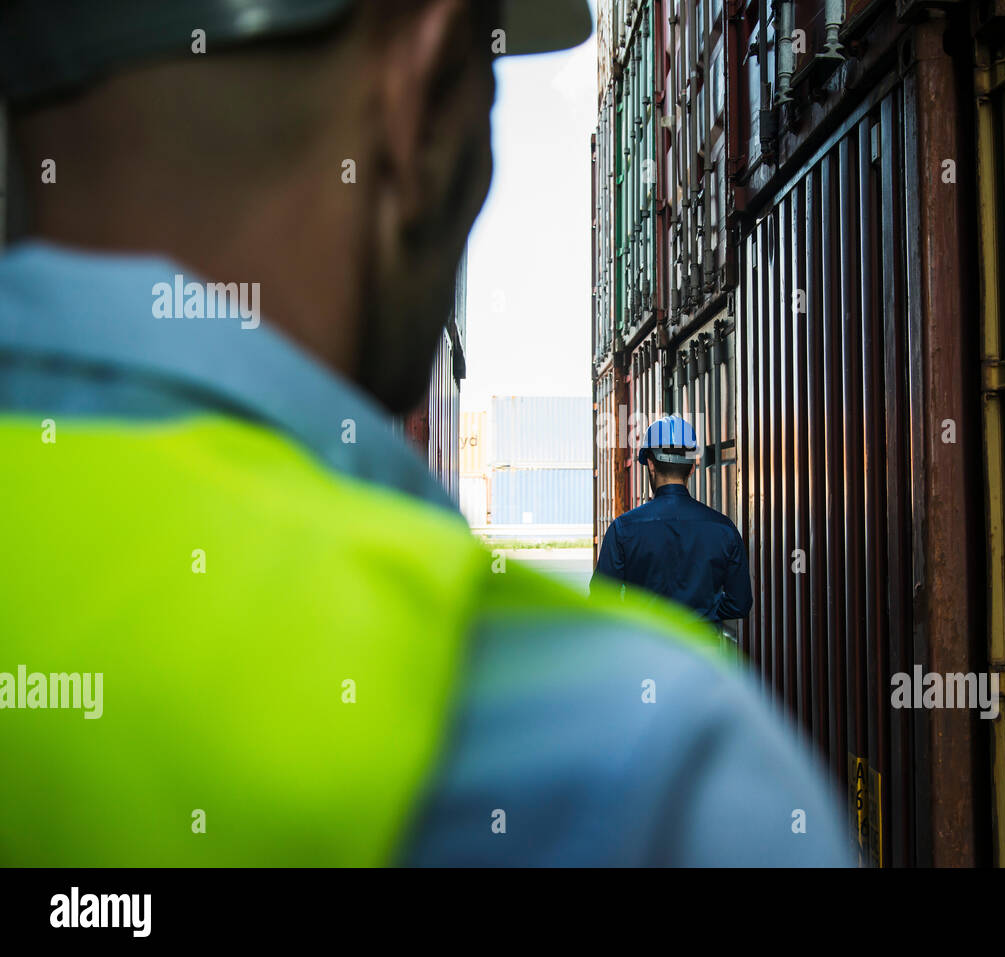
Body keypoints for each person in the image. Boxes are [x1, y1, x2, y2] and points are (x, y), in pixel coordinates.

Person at [0, 0, 852, 866]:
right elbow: (737, 613)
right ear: (421, 89)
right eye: (484, 99)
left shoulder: (629, 549)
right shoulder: (653, 770)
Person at [593, 415, 753, 629]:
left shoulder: (623, 529)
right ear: (692, 467)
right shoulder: (723, 529)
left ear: (650, 464)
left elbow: (601, 601)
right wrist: (703, 613)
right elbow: (739, 604)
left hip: (645, 649)